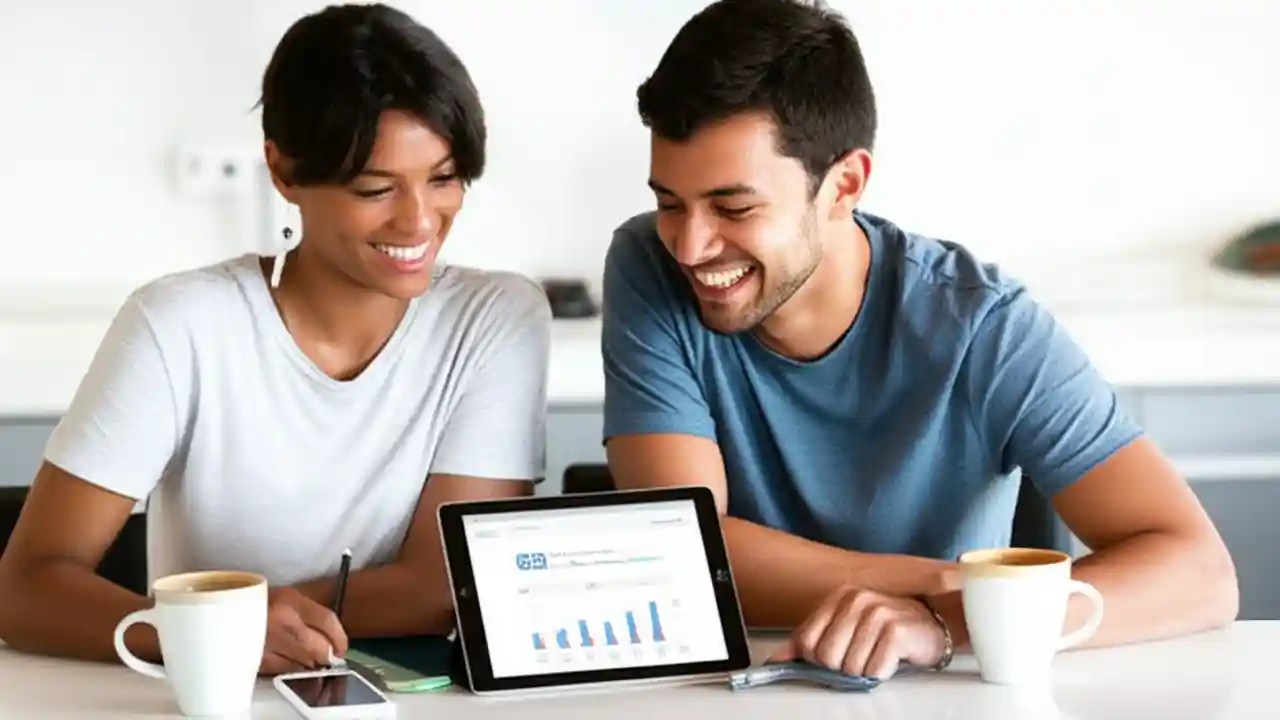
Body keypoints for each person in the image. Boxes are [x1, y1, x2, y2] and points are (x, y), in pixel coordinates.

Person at [602, 0, 1237, 679]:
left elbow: (1200, 572)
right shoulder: (649, 267)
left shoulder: (983, 328)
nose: (690, 245)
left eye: (734, 207)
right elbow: (675, 552)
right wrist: (945, 584)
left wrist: (941, 622)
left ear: (844, 185)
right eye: (669, 203)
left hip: (940, 692)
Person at [0, 4, 550, 676]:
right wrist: (204, 634)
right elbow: (22, 588)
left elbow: (445, 587)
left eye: (443, 179)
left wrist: (226, 613)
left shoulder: (496, 318)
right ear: (283, 171)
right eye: (374, 189)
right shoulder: (179, 326)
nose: (418, 222)